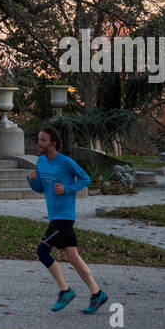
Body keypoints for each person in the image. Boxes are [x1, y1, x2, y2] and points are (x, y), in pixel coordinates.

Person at [28, 126, 108, 313]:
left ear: (53, 143)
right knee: (73, 257)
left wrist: (67, 189)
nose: (39, 143)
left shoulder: (66, 162)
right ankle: (97, 294)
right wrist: (31, 180)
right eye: (38, 139)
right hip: (55, 216)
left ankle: (65, 290)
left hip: (64, 217)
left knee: (42, 251)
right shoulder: (40, 162)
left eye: (43, 140)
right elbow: (41, 188)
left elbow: (85, 179)